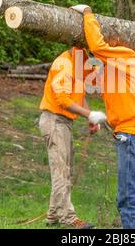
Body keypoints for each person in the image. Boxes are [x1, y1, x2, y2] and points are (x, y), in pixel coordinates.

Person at [71, 4, 135, 229]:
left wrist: (88, 14)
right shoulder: (113, 67)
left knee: (129, 201)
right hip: (134, 135)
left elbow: (98, 47)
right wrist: (78, 44)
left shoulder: (127, 56)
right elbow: (85, 72)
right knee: (128, 199)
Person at [39, 46, 107, 229]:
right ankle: (69, 218)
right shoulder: (64, 65)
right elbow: (63, 99)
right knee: (61, 171)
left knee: (64, 170)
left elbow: (79, 94)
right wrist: (88, 114)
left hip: (64, 123)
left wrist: (89, 116)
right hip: (54, 120)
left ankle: (53, 215)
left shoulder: (79, 63)